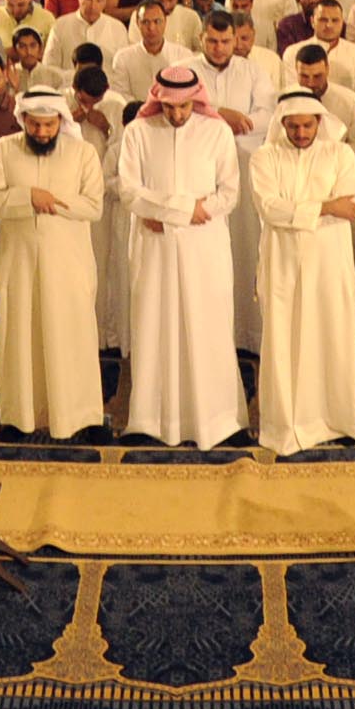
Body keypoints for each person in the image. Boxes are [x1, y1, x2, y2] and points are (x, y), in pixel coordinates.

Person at [115, 57, 246, 447]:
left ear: (196, 100)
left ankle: (217, 421)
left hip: (203, 248)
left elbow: (229, 194)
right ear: (158, 100)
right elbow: (129, 192)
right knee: (154, 325)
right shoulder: (138, 132)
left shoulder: (217, 133)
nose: (177, 114)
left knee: (207, 327)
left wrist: (167, 213)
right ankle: (152, 423)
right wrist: (186, 210)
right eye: (170, 106)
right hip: (154, 248)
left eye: (184, 106)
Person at [249, 90, 355, 453]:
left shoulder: (340, 153)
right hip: (281, 259)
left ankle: (335, 420)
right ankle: (284, 424)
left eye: (307, 125)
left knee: (330, 333)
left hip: (329, 260)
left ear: (320, 122)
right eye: (294, 126)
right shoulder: (264, 157)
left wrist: (302, 211)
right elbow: (269, 208)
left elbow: (348, 206)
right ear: (282, 124)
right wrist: (324, 206)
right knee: (284, 338)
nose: (301, 133)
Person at [0, 83, 105, 438]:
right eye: (34, 125)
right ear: (22, 120)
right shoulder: (3, 151)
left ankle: (76, 418)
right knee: (21, 341)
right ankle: (20, 418)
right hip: (19, 266)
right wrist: (27, 197)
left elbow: (93, 206)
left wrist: (52, 203)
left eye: (49, 125)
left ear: (60, 121)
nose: (41, 132)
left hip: (68, 266)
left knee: (69, 339)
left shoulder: (82, 153)